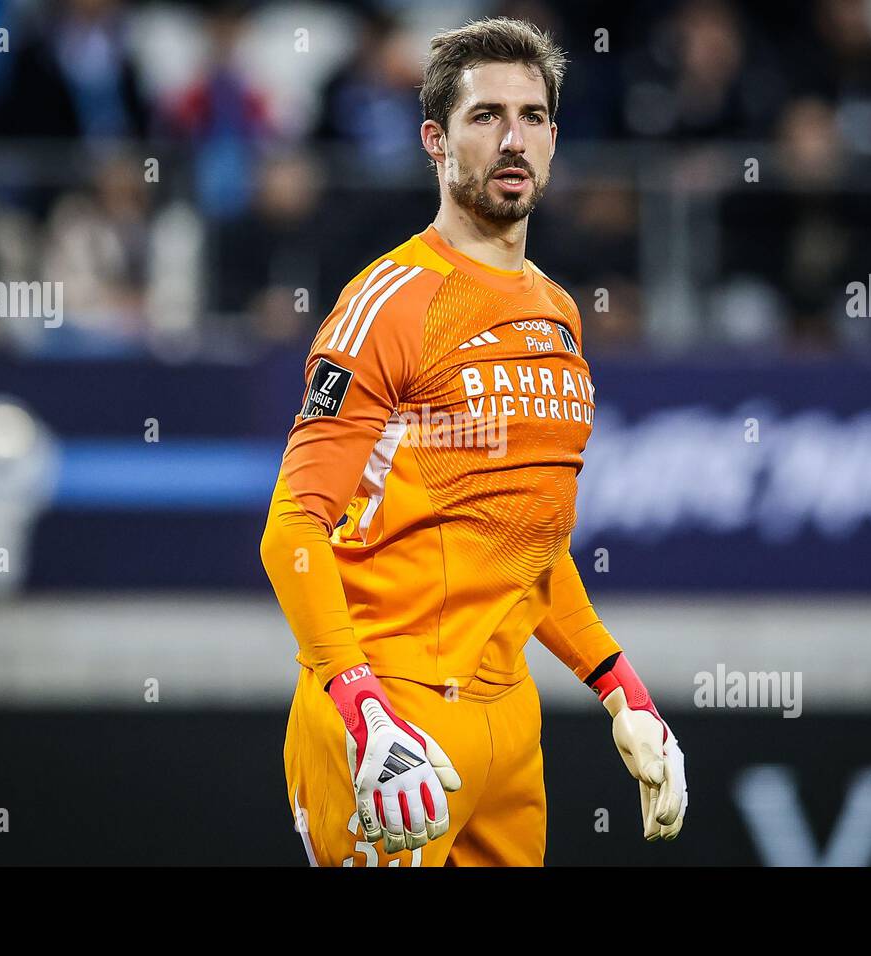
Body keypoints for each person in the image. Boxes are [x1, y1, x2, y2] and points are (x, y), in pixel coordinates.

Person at [260, 16, 687, 867]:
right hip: (392, 716)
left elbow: (526, 541)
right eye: (485, 115)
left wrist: (620, 689)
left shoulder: (559, 314)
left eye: (532, 116)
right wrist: (363, 708)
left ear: (556, 140)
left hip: (508, 726)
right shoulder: (389, 302)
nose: (513, 137)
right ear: (435, 140)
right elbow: (292, 530)